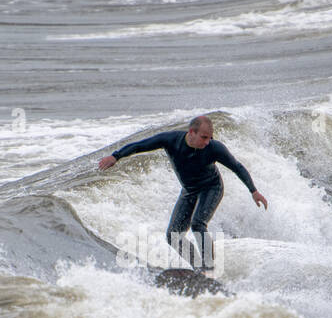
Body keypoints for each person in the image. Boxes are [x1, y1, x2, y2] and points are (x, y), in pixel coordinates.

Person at [98, 115, 267, 276]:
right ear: (191, 132)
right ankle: (198, 268)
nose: (208, 142)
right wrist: (116, 156)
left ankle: (209, 269)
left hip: (212, 188)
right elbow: (140, 145)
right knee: (173, 235)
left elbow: (237, 166)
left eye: (210, 138)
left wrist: (254, 191)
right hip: (190, 190)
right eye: (204, 137)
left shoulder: (215, 148)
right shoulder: (170, 140)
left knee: (198, 224)